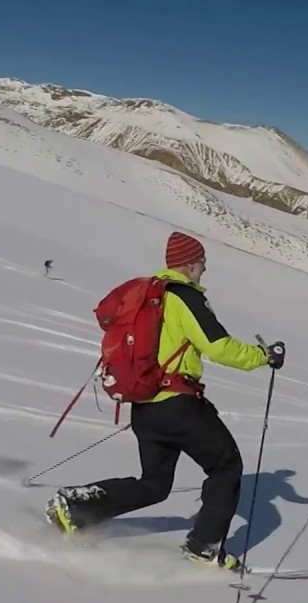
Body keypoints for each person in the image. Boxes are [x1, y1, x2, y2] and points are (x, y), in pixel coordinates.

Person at [45, 231, 285, 570]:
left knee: (154, 485)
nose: (204, 269)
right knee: (226, 466)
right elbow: (218, 347)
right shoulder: (185, 297)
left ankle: (74, 506)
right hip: (178, 406)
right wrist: (264, 356)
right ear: (189, 264)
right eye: (202, 262)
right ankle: (203, 547)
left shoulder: (148, 295)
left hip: (145, 406)